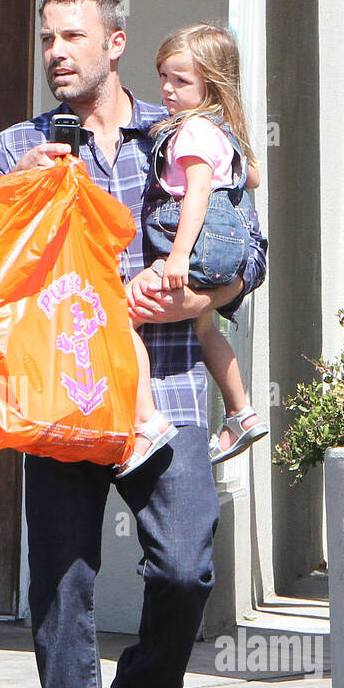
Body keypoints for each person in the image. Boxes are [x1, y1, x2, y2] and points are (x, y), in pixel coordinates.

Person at [0, 0, 267, 688]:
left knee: (183, 568)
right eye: (48, 40)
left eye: (72, 37)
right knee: (60, 585)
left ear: (114, 42)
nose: (57, 54)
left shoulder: (180, 133)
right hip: (59, 395)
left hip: (164, 386)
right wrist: (22, 192)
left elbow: (248, 247)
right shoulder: (13, 148)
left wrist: (209, 295)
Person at [143, 23, 269, 464]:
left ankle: (146, 420)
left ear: (210, 85)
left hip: (195, 247)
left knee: (122, 314)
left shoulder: (193, 131)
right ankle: (242, 412)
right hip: (228, 250)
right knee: (204, 327)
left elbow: (197, 192)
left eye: (181, 81)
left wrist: (177, 255)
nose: (167, 88)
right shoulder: (221, 130)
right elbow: (250, 177)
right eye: (164, 76)